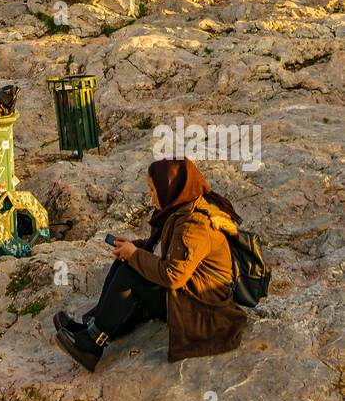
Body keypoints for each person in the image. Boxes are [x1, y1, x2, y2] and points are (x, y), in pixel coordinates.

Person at [54, 157, 247, 370]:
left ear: (170, 188)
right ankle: (93, 327)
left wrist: (135, 255)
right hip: (190, 292)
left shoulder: (195, 223)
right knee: (127, 260)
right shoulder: (181, 209)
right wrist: (133, 247)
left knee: (131, 272)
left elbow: (173, 276)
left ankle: (91, 345)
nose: (150, 194)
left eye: (153, 190)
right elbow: (166, 250)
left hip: (202, 307)